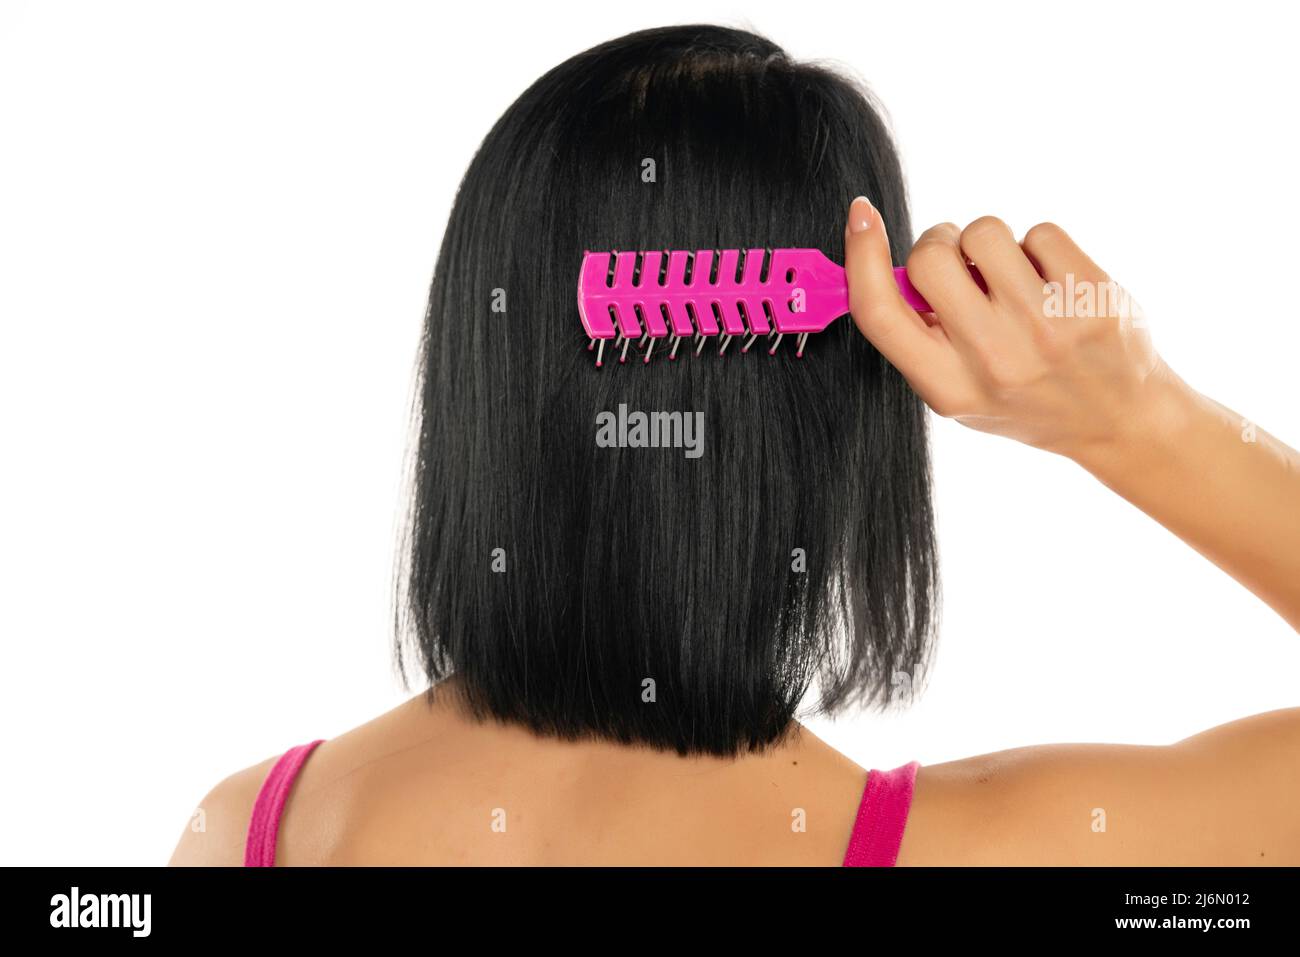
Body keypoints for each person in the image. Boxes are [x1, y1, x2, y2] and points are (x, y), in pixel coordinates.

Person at [170, 25, 1300, 867]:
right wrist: (1139, 417)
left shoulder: (244, 832)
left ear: (480, 363)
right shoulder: (1003, 852)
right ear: (847, 417)